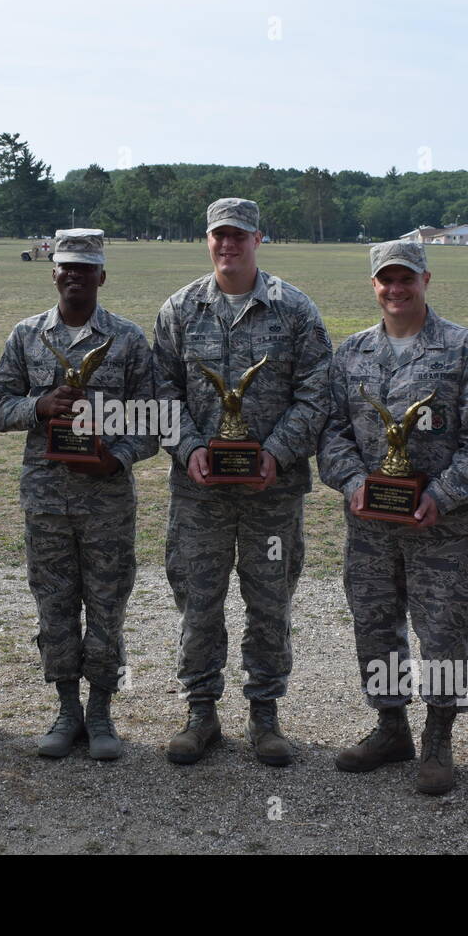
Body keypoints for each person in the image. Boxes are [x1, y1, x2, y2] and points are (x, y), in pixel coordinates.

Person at [317, 240, 468, 794]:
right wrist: (353, 483)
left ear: (427, 279)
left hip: (443, 527)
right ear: (374, 285)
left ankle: (439, 736)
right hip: (371, 528)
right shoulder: (351, 354)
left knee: (444, 631)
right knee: (376, 626)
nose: (396, 289)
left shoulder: (463, 350)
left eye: (406, 279)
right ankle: (390, 725)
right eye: (385, 280)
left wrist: (442, 495)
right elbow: (332, 431)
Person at [152, 197, 332, 766]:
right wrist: (188, 447)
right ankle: (200, 712)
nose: (228, 246)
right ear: (207, 240)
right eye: (218, 236)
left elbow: (317, 391)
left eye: (239, 236)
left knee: (270, 600)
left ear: (258, 239)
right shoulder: (179, 310)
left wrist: (276, 453)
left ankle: (265, 715)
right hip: (199, 489)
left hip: (270, 493)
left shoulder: (293, 309)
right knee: (198, 600)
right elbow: (160, 392)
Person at [0, 228, 158, 761]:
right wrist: (38, 407)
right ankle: (66, 708)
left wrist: (120, 456)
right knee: (55, 604)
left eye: (86, 268)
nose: (75, 275)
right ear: (53, 272)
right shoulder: (25, 335)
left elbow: (155, 420)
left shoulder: (128, 340)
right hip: (45, 499)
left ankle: (102, 711)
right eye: (66, 266)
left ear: (102, 276)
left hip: (106, 497)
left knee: (107, 605)